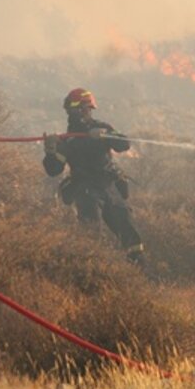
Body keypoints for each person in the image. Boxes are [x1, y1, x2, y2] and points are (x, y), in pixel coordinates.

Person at [43, 88, 145, 264]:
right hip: (85, 189)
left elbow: (124, 145)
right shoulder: (66, 140)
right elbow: (53, 170)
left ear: (89, 109)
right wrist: (51, 152)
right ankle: (90, 269)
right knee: (90, 231)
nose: (80, 113)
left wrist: (105, 135)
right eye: (73, 110)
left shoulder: (103, 129)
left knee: (129, 232)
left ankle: (138, 270)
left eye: (84, 109)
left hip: (108, 186)